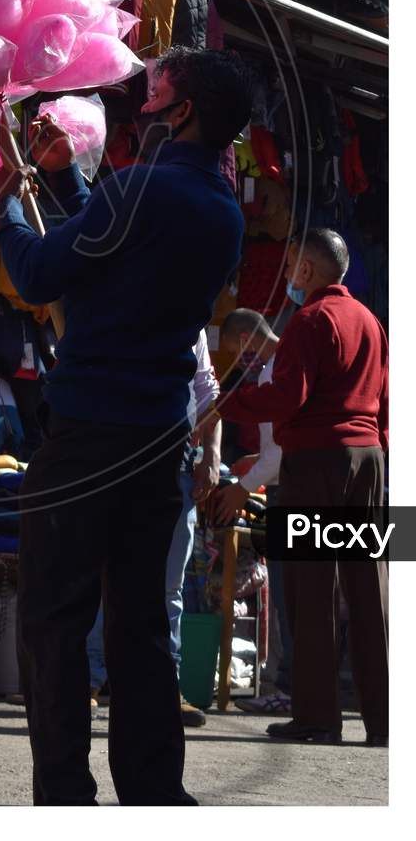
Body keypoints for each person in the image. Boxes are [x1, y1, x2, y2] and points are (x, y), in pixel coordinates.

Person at [0, 46, 252, 805]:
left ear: (185, 112)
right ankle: (153, 791)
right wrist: (62, 178)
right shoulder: (223, 212)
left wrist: (4, 209)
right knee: (140, 624)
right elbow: (111, 243)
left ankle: (65, 793)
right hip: (157, 439)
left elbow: (41, 272)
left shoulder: (140, 188)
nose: (143, 110)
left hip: (86, 432)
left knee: (55, 618)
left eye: (156, 98)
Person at [214, 229, 389, 747]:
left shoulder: (310, 320)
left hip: (315, 462)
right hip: (368, 460)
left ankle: (316, 717)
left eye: (292, 263)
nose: (289, 273)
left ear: (307, 269)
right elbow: (385, 398)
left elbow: (288, 396)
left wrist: (228, 404)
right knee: (369, 588)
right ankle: (385, 719)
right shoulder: (370, 321)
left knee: (313, 589)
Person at [86, 329, 223, 729]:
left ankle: (165, 685)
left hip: (177, 464)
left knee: (169, 586)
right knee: (104, 574)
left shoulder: (194, 324)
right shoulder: (120, 307)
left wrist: (212, 454)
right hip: (116, 459)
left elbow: (208, 392)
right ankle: (89, 681)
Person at [213, 309, 292, 714]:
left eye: (233, 349)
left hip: (288, 491)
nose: (238, 359)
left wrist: (241, 489)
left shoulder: (274, 371)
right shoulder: (288, 362)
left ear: (246, 338)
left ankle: (290, 689)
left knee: (289, 596)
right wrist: (255, 462)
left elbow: (279, 455)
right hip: (299, 482)